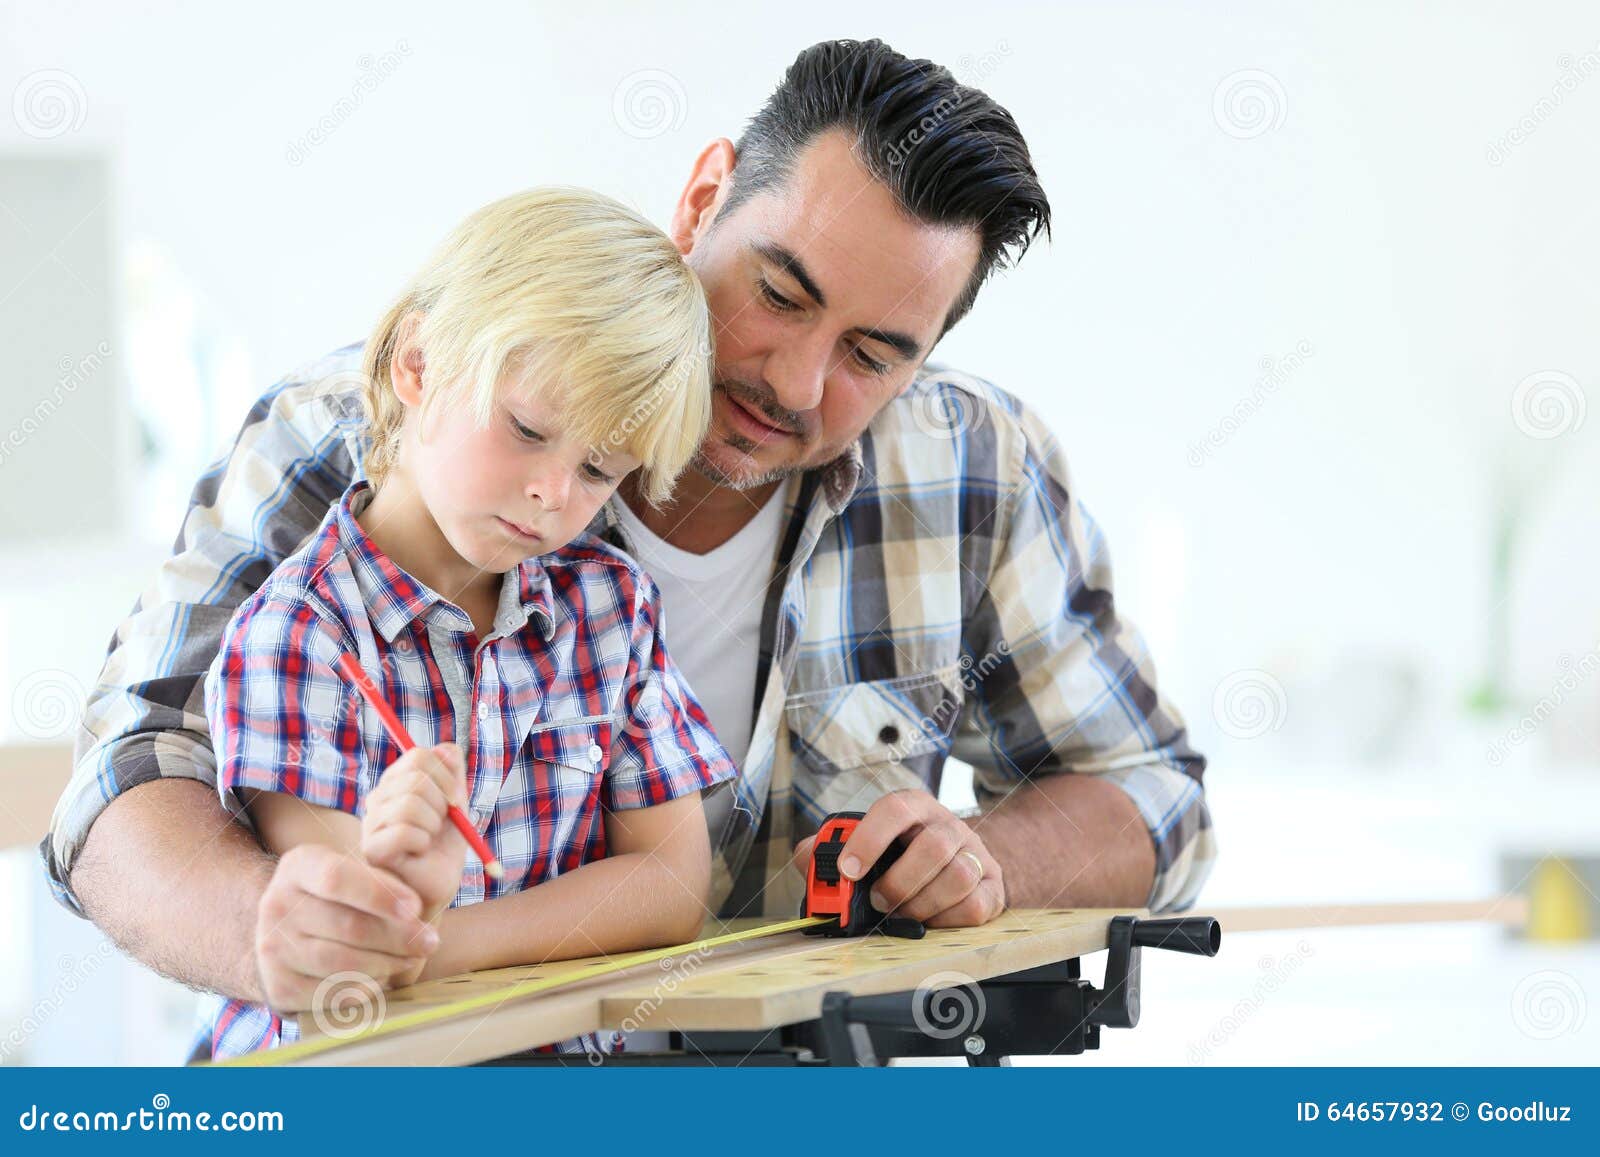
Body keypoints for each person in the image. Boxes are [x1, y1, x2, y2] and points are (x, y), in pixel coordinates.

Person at [46, 39, 1217, 1032]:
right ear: (703, 198)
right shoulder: (355, 434)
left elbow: (1151, 791)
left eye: (871, 355)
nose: (797, 383)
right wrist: (287, 937)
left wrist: (988, 858)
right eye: (780, 295)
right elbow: (124, 776)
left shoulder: (973, 464)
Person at [197, 186, 736, 1059]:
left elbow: (672, 883)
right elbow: (350, 937)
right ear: (417, 365)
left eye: (599, 470)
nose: (553, 493)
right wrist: (404, 896)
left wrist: (446, 939)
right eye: (527, 429)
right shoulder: (298, 633)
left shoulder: (611, 609)